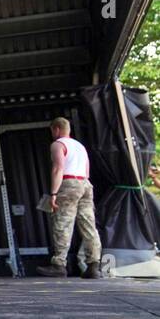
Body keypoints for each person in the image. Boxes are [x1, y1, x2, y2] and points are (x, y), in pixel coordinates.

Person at [37, 116, 102, 278]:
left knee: (63, 223)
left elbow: (58, 169)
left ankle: (59, 264)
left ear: (56, 129)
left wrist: (53, 193)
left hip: (69, 183)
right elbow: (86, 170)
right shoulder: (80, 146)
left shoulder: (58, 145)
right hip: (86, 184)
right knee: (88, 225)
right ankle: (94, 265)